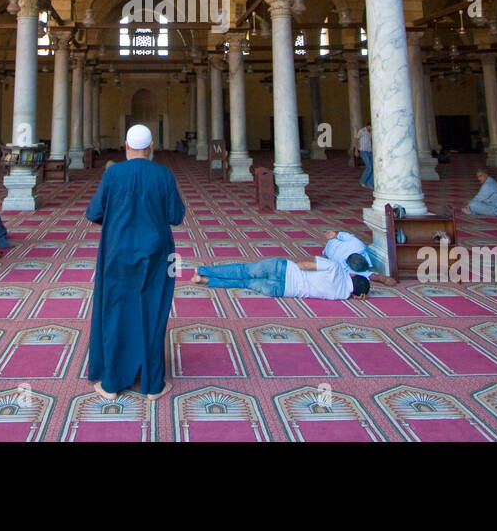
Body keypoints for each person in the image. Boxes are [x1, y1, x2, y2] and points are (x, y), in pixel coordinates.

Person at [84, 124, 186, 402]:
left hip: (117, 254)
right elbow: (176, 216)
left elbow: (94, 212)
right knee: (153, 311)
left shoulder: (113, 173)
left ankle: (112, 384)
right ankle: (153, 385)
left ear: (125, 146)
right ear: (151, 146)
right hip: (157, 255)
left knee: (116, 310)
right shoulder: (163, 174)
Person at [189, 255, 392, 299]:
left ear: (353, 274)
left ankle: (204, 271)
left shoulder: (337, 268)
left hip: (282, 269)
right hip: (281, 291)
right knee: (244, 282)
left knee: (243, 270)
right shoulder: (340, 295)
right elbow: (353, 293)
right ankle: (206, 281)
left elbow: (304, 265)